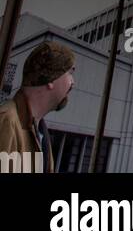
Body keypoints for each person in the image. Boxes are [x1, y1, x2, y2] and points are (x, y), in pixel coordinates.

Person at [0, 41, 76, 172]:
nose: (73, 83)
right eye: (70, 73)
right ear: (51, 78)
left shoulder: (39, 131)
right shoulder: (6, 122)